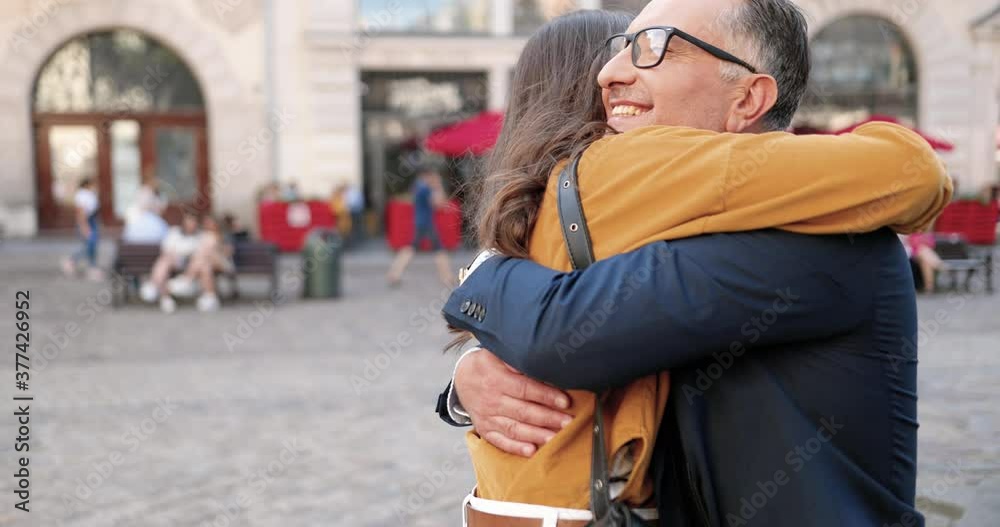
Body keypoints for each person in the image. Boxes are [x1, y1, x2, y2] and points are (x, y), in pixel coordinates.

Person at [438, 1, 952, 525]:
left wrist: (484, 273)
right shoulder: (678, 212)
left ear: (749, 97)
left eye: (657, 48)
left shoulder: (815, 237)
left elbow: (566, 330)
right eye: (622, 50)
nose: (608, 75)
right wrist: (468, 381)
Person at [386, 169, 454, 286]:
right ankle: (447, 277)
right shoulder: (425, 188)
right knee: (439, 249)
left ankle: (395, 273)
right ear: (429, 176)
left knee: (411, 248)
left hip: (421, 223)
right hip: (426, 223)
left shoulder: (418, 187)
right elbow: (439, 204)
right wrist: (438, 187)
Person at [167, 215, 235, 312]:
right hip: (207, 263)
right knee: (205, 267)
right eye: (206, 223)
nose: (207, 225)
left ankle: (187, 279)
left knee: (205, 254)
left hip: (223, 264)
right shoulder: (204, 236)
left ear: (216, 224)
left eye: (210, 223)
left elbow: (228, 253)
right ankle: (210, 297)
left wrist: (215, 249)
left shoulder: (223, 236)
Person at [140, 211, 202, 313]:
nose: (191, 224)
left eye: (193, 221)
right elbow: (166, 249)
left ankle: (156, 286)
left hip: (191, 264)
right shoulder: (174, 232)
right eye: (188, 221)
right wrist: (174, 256)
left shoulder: (200, 236)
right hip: (173, 260)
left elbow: (199, 253)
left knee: (166, 261)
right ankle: (163, 294)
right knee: (164, 261)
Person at [62, 177, 103, 280]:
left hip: (91, 221)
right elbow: (81, 213)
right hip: (88, 222)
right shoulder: (83, 195)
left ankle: (90, 267)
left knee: (91, 246)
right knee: (90, 246)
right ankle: (73, 261)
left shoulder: (87, 194)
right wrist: (85, 227)